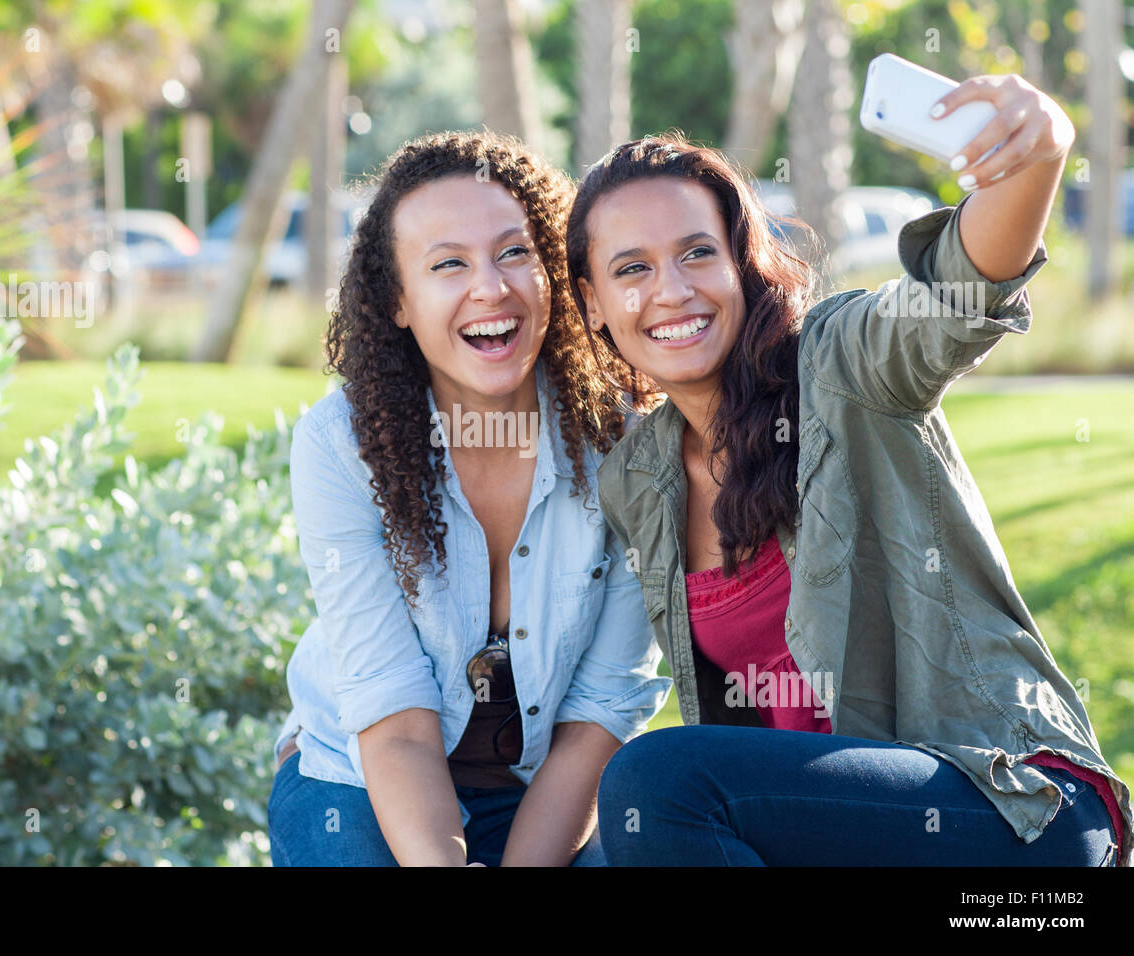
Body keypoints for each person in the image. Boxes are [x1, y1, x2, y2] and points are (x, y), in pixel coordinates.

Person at [565, 74, 1131, 866]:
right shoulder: (639, 478)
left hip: (1013, 812)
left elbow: (956, 296)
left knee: (660, 779)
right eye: (632, 269)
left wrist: (1034, 161)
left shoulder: (841, 364)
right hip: (847, 835)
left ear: (741, 264)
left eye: (698, 252)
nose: (673, 289)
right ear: (592, 302)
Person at [267, 130, 669, 867]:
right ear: (397, 300)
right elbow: (394, 724)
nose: (491, 286)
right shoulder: (339, 448)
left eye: (515, 252)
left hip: (551, 784)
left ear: (552, 272)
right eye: (448, 263)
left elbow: (598, 716)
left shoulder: (631, 447)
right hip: (362, 776)